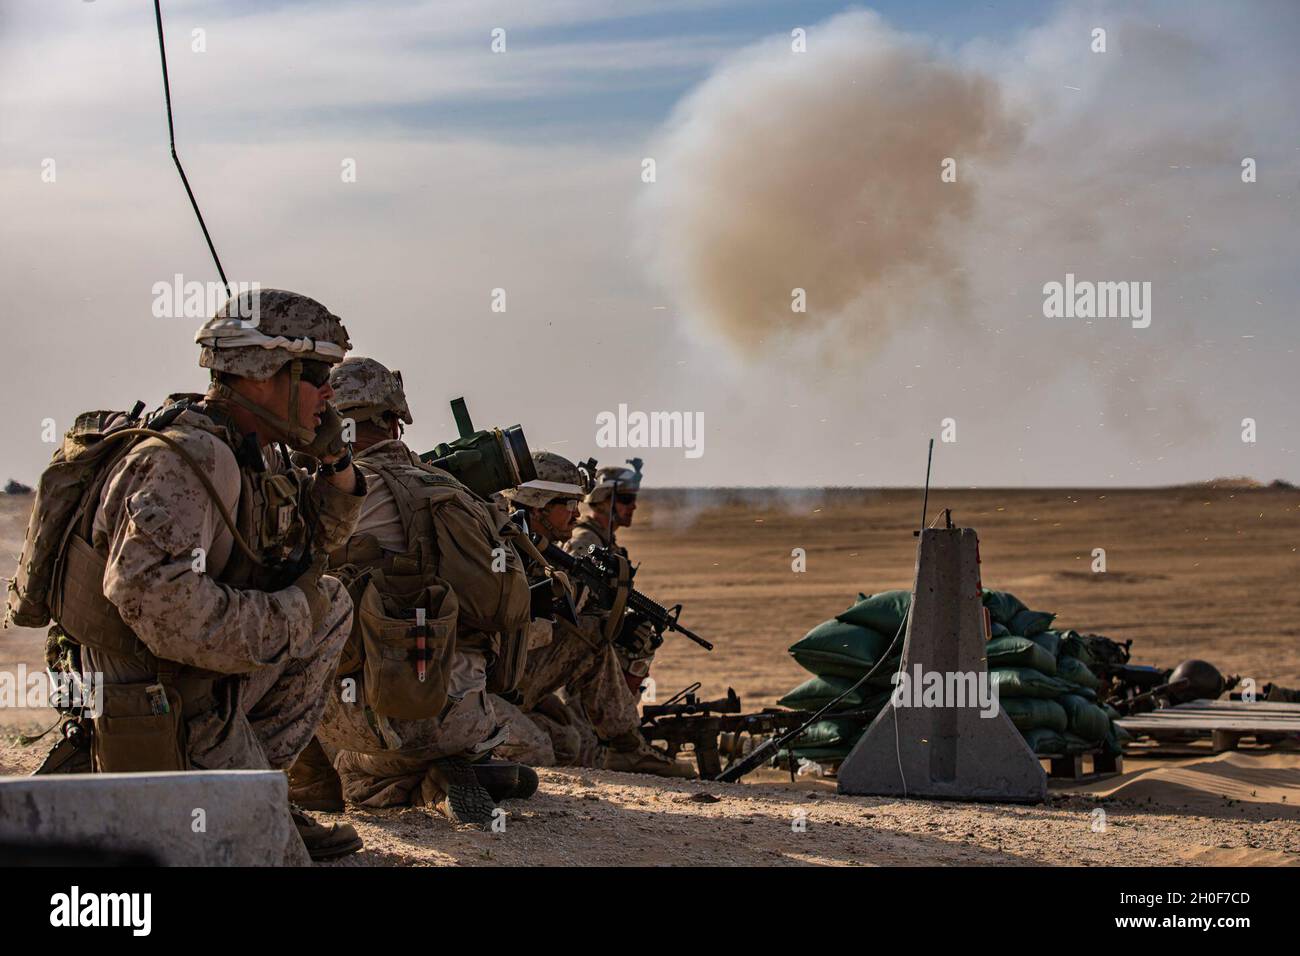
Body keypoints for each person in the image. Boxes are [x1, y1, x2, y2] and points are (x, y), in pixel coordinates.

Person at [54, 289, 366, 860]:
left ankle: (259, 786)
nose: (329, 392)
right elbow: (156, 607)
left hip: (200, 683)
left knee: (331, 601)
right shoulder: (189, 460)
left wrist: (335, 464)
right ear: (259, 373)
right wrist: (288, 616)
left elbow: (313, 553)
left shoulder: (256, 452)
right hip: (159, 704)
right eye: (316, 372)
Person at [296, 357, 538, 826]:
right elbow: (509, 609)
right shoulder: (458, 494)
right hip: (462, 713)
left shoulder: (323, 499)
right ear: (395, 421)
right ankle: (452, 770)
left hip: (369, 721)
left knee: (353, 770)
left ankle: (353, 784)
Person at [492, 453, 695, 778]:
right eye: (567, 504)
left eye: (578, 503)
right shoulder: (505, 552)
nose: (576, 513)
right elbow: (512, 629)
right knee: (542, 749)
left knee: (566, 744)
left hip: (510, 681)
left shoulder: (533, 548)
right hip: (482, 686)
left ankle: (626, 745)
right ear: (538, 505)